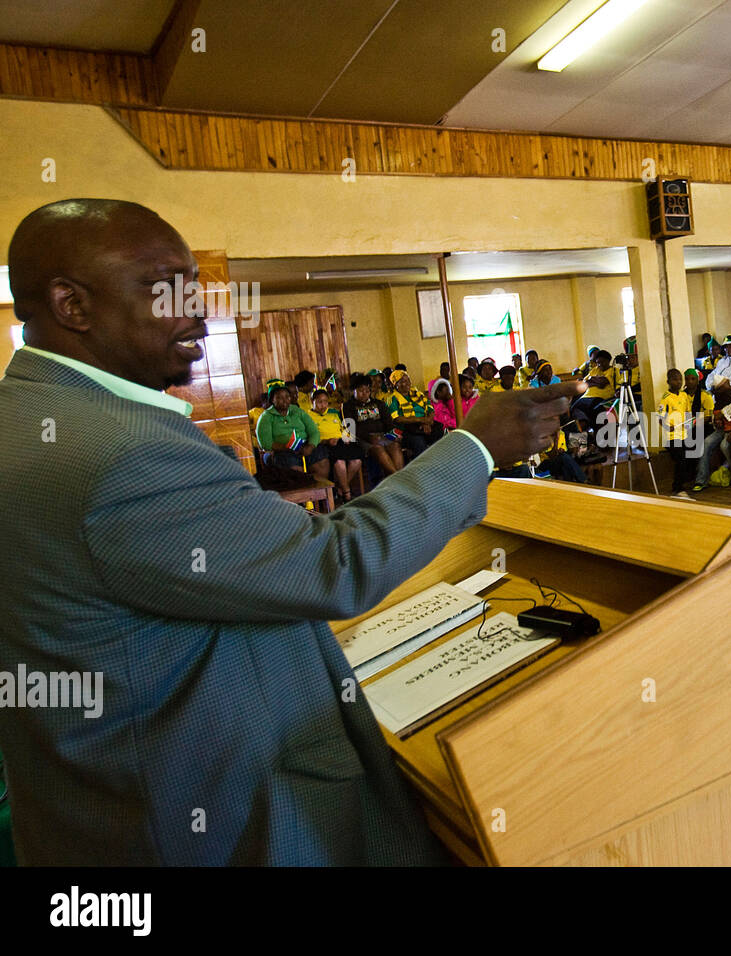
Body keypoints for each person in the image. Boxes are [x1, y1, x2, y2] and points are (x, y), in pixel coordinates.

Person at [0, 197, 584, 864]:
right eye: (163, 286)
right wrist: (476, 447)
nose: (196, 307)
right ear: (72, 305)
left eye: (193, 283)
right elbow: (334, 564)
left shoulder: (29, 415)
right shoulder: (115, 451)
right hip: (201, 817)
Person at [256, 382, 327, 478]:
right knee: (292, 465)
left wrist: (310, 446)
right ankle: (302, 491)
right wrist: (289, 448)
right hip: (282, 451)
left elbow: (314, 431)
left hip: (305, 447)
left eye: (287, 396)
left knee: (321, 457)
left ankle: (319, 491)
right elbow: (266, 443)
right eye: (279, 398)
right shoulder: (266, 417)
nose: (284, 400)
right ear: (272, 400)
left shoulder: (297, 411)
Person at [309, 388, 365, 501]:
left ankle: (339, 488)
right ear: (312, 401)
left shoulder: (333, 413)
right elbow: (310, 437)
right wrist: (326, 441)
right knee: (340, 462)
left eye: (325, 402)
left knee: (357, 460)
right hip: (325, 444)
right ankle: (346, 492)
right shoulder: (308, 416)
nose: (323, 405)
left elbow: (344, 428)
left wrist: (346, 437)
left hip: (340, 441)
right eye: (320, 402)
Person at [343, 373, 404, 476]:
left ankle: (398, 478)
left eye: (367, 391)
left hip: (383, 436)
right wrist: (369, 437)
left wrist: (394, 434)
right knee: (378, 449)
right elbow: (351, 428)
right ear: (354, 391)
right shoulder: (348, 406)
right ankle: (397, 478)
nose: (365, 394)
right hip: (363, 439)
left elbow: (389, 422)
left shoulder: (379, 404)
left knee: (395, 446)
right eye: (361, 391)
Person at [656, 368, 695, 495]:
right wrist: (668, 427)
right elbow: (660, 417)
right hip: (672, 436)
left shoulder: (684, 395)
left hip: (684, 433)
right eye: (675, 379)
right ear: (668, 381)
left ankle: (686, 482)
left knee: (691, 455)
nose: (678, 382)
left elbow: (688, 412)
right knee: (681, 458)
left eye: (680, 379)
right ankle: (678, 487)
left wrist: (689, 424)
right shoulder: (666, 398)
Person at [387, 369, 439, 458]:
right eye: (403, 381)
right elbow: (397, 418)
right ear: (395, 385)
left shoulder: (417, 394)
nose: (407, 383)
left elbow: (430, 409)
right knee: (418, 442)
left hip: (425, 425)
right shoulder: (393, 398)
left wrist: (426, 422)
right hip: (406, 429)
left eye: (408, 380)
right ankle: (422, 468)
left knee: (440, 434)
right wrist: (420, 420)